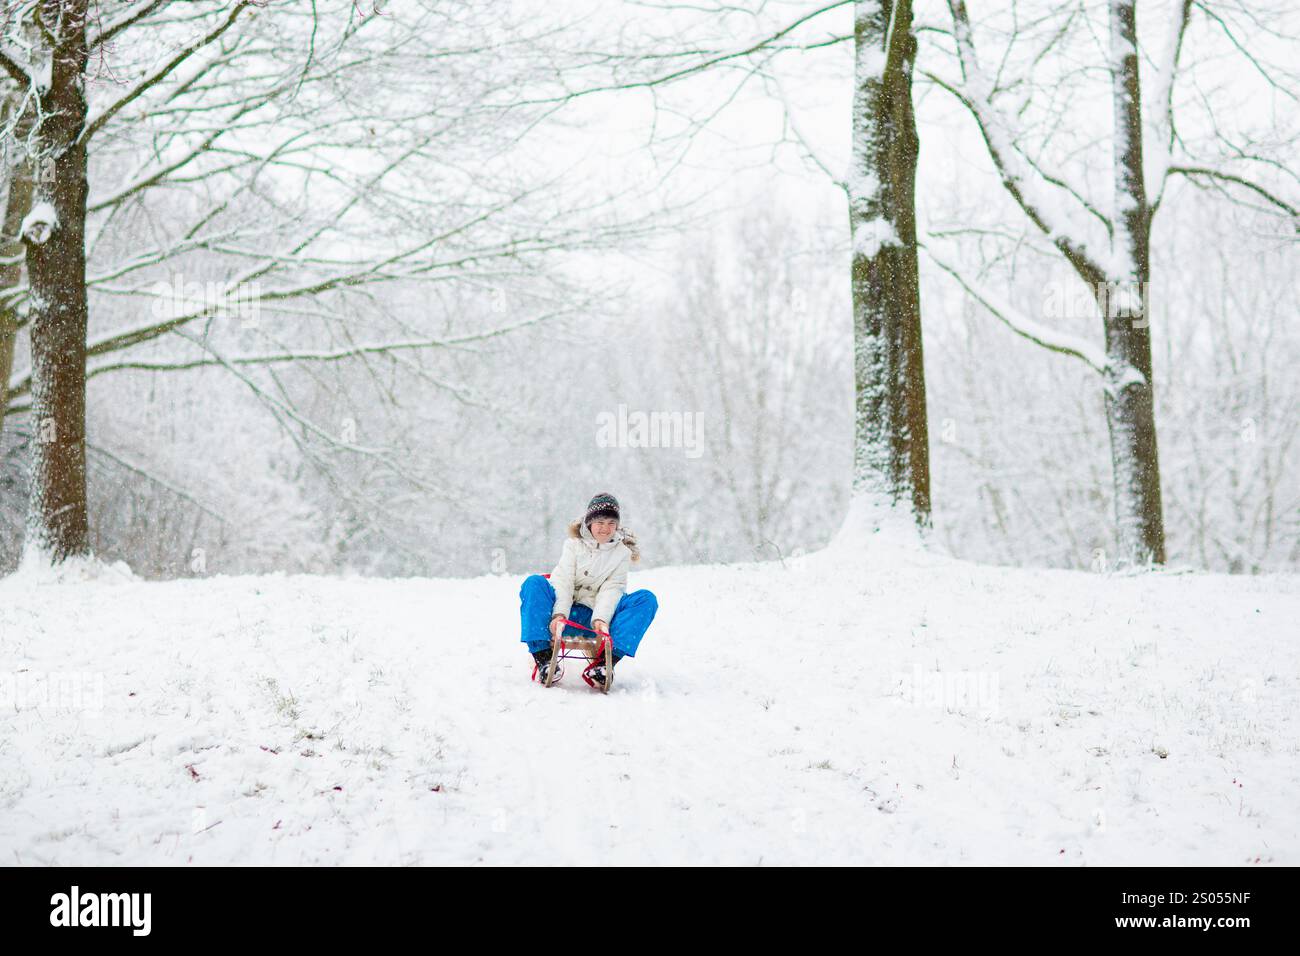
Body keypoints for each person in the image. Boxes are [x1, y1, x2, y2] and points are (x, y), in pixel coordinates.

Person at [519, 492, 658, 685]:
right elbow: (564, 581)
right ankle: (543, 659)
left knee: (646, 599)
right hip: (564, 617)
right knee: (534, 583)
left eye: (611, 523)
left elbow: (612, 588)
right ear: (589, 523)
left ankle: (603, 664)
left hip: (598, 621)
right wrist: (559, 615)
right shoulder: (573, 546)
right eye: (600, 522)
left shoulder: (621, 553)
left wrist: (601, 620)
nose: (605, 528)